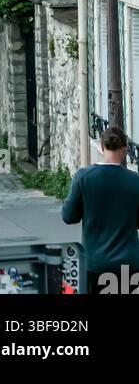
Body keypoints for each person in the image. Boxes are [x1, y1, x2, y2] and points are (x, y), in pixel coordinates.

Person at [62, 125, 139, 293]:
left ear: (102, 147)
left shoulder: (83, 177)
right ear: (125, 149)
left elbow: (69, 217)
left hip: (96, 263)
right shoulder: (135, 181)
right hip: (130, 264)